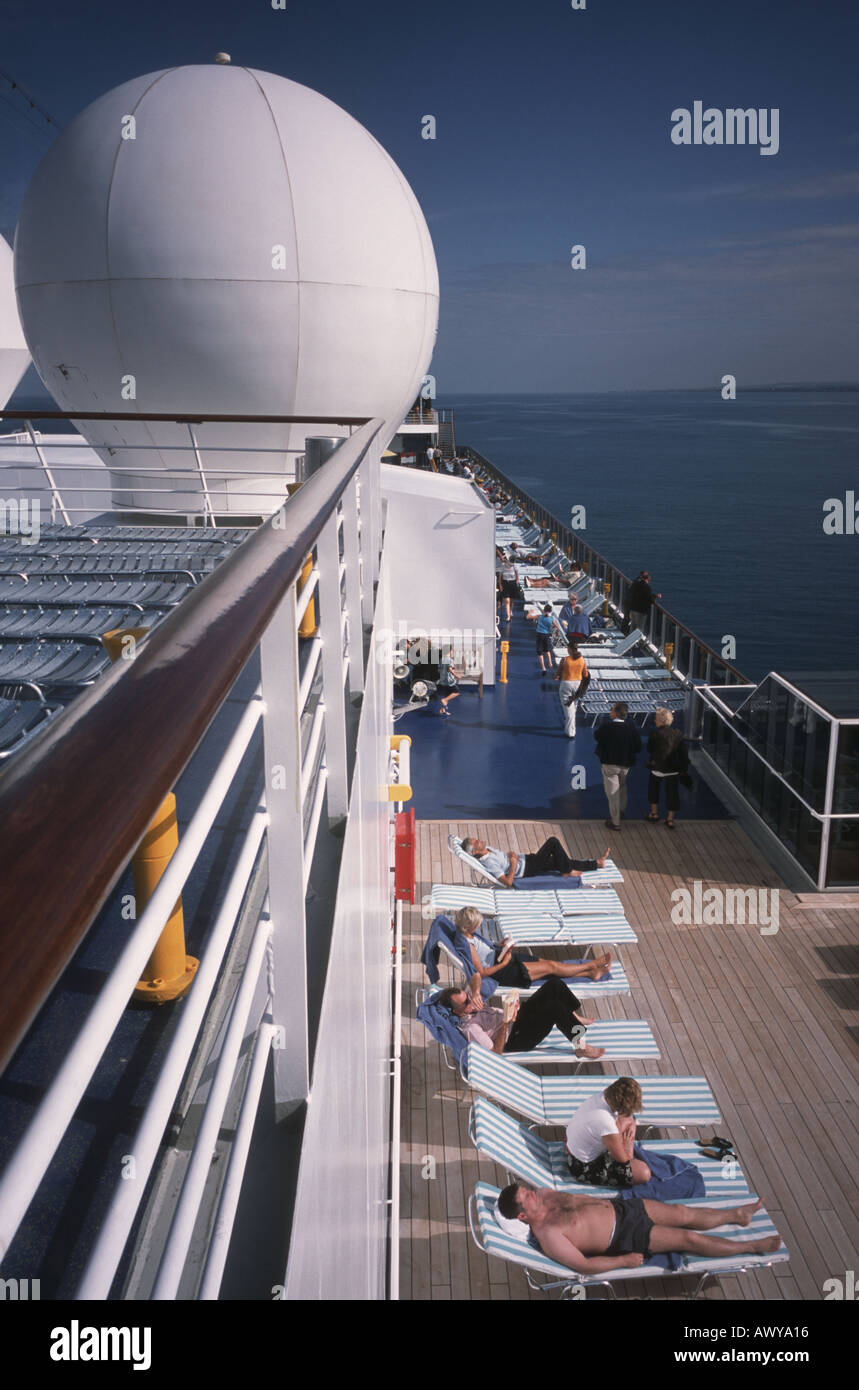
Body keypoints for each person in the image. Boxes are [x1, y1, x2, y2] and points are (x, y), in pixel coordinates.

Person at [497, 1185, 778, 1274]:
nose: (532, 1193)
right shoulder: (548, 1235)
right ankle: (752, 1247)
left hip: (624, 1208)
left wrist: (605, 1202)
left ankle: (737, 1215)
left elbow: (577, 1200)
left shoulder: (545, 1194)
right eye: (527, 1197)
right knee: (688, 1238)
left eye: (526, 1189)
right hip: (624, 1236)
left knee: (682, 1212)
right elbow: (583, 1265)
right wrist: (623, 1260)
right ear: (522, 1216)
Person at [437, 976, 605, 1060]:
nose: (470, 1002)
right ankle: (580, 1046)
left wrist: (474, 992)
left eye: (467, 997)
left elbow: (476, 976)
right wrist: (505, 1024)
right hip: (516, 1038)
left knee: (554, 984)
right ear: (455, 1012)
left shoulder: (470, 999)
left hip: (516, 1018)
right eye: (465, 1002)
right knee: (554, 1007)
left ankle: (575, 1016)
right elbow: (495, 1053)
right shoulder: (471, 1028)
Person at [454, 904, 612, 984]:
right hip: (503, 971)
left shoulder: (468, 934)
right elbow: (481, 973)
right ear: (467, 927)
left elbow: (484, 951)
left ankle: (591, 973)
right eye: (477, 925)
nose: (479, 927)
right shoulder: (468, 945)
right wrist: (504, 964)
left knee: (549, 964)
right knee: (552, 967)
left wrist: (500, 946)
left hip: (500, 956)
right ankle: (591, 965)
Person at [564, 1077, 651, 1186]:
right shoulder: (606, 1123)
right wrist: (628, 1147)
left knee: (629, 1120)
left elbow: (627, 1119)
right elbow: (624, 1160)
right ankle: (621, 1143)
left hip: (570, 1146)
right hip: (581, 1166)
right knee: (644, 1173)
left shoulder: (600, 1097)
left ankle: (619, 1141)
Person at [461, 835, 610, 886]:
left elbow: (505, 860)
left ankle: (597, 863)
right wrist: (513, 864)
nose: (479, 840)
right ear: (474, 852)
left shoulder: (487, 850)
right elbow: (507, 882)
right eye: (476, 842)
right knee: (553, 842)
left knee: (560, 859)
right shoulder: (488, 862)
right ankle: (566, 871)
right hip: (528, 869)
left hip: (527, 859)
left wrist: (510, 856)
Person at [594, 702, 642, 830]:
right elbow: (638, 746)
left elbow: (597, 736)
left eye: (611, 709)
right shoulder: (631, 728)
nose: (610, 711)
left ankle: (615, 822)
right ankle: (621, 811)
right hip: (625, 765)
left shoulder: (607, 727)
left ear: (615, 713)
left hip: (610, 765)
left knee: (613, 793)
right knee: (622, 788)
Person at [647, 706, 689, 829]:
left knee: (653, 789)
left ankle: (654, 813)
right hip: (673, 769)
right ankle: (670, 819)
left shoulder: (655, 734)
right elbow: (683, 752)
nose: (655, 721)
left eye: (656, 718)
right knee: (672, 793)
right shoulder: (677, 734)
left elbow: (650, 749)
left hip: (657, 768)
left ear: (660, 721)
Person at [553, 640, 590, 737]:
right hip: (578, 685)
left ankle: (570, 732)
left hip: (566, 685)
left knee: (568, 708)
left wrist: (556, 676)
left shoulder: (565, 660)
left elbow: (558, 672)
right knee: (573, 706)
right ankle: (568, 726)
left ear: (569, 649)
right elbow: (585, 674)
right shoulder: (582, 660)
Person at [527, 603, 565, 672]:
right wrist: (557, 632)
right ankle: (550, 662)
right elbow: (558, 627)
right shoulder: (551, 619)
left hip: (539, 635)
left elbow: (528, 617)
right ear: (550, 611)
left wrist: (530, 612)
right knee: (547, 650)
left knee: (539, 652)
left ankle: (543, 667)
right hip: (546, 635)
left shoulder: (539, 616)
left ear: (544, 610)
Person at [626, 570, 661, 635]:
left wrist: (654, 595)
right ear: (648, 578)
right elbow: (649, 599)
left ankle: (630, 640)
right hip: (641, 611)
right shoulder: (647, 587)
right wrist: (655, 597)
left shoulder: (637, 584)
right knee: (639, 628)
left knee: (633, 626)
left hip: (633, 608)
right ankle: (636, 642)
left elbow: (642, 594)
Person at [497, 556, 520, 622]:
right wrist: (500, 585)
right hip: (505, 583)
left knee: (512, 600)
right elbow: (500, 577)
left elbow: (517, 576)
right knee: (507, 601)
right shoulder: (503, 566)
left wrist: (516, 583)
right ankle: (508, 616)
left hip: (512, 583)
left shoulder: (514, 566)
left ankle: (510, 611)